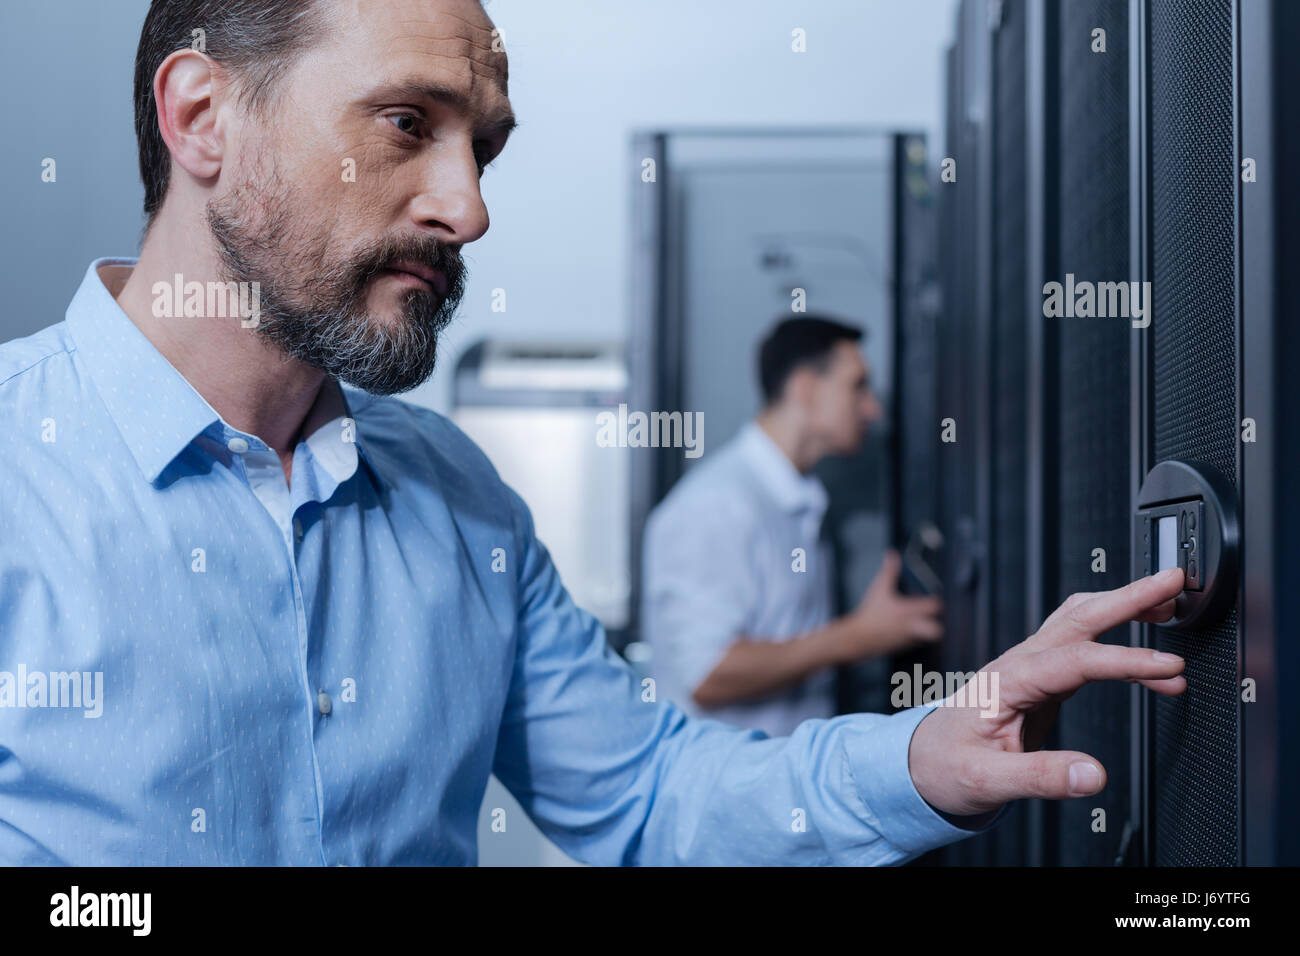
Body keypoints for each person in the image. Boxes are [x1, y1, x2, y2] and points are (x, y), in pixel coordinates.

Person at [0, 0, 1188, 865]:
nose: (467, 209)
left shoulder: (454, 494)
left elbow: (647, 792)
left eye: (485, 148)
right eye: (406, 123)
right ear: (203, 117)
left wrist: (925, 754)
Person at [642, 317, 943, 737]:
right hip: (725, 793)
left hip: (781, 784)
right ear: (806, 388)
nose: (873, 408)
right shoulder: (714, 506)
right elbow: (705, 675)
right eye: (858, 385)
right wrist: (857, 636)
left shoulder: (797, 498)